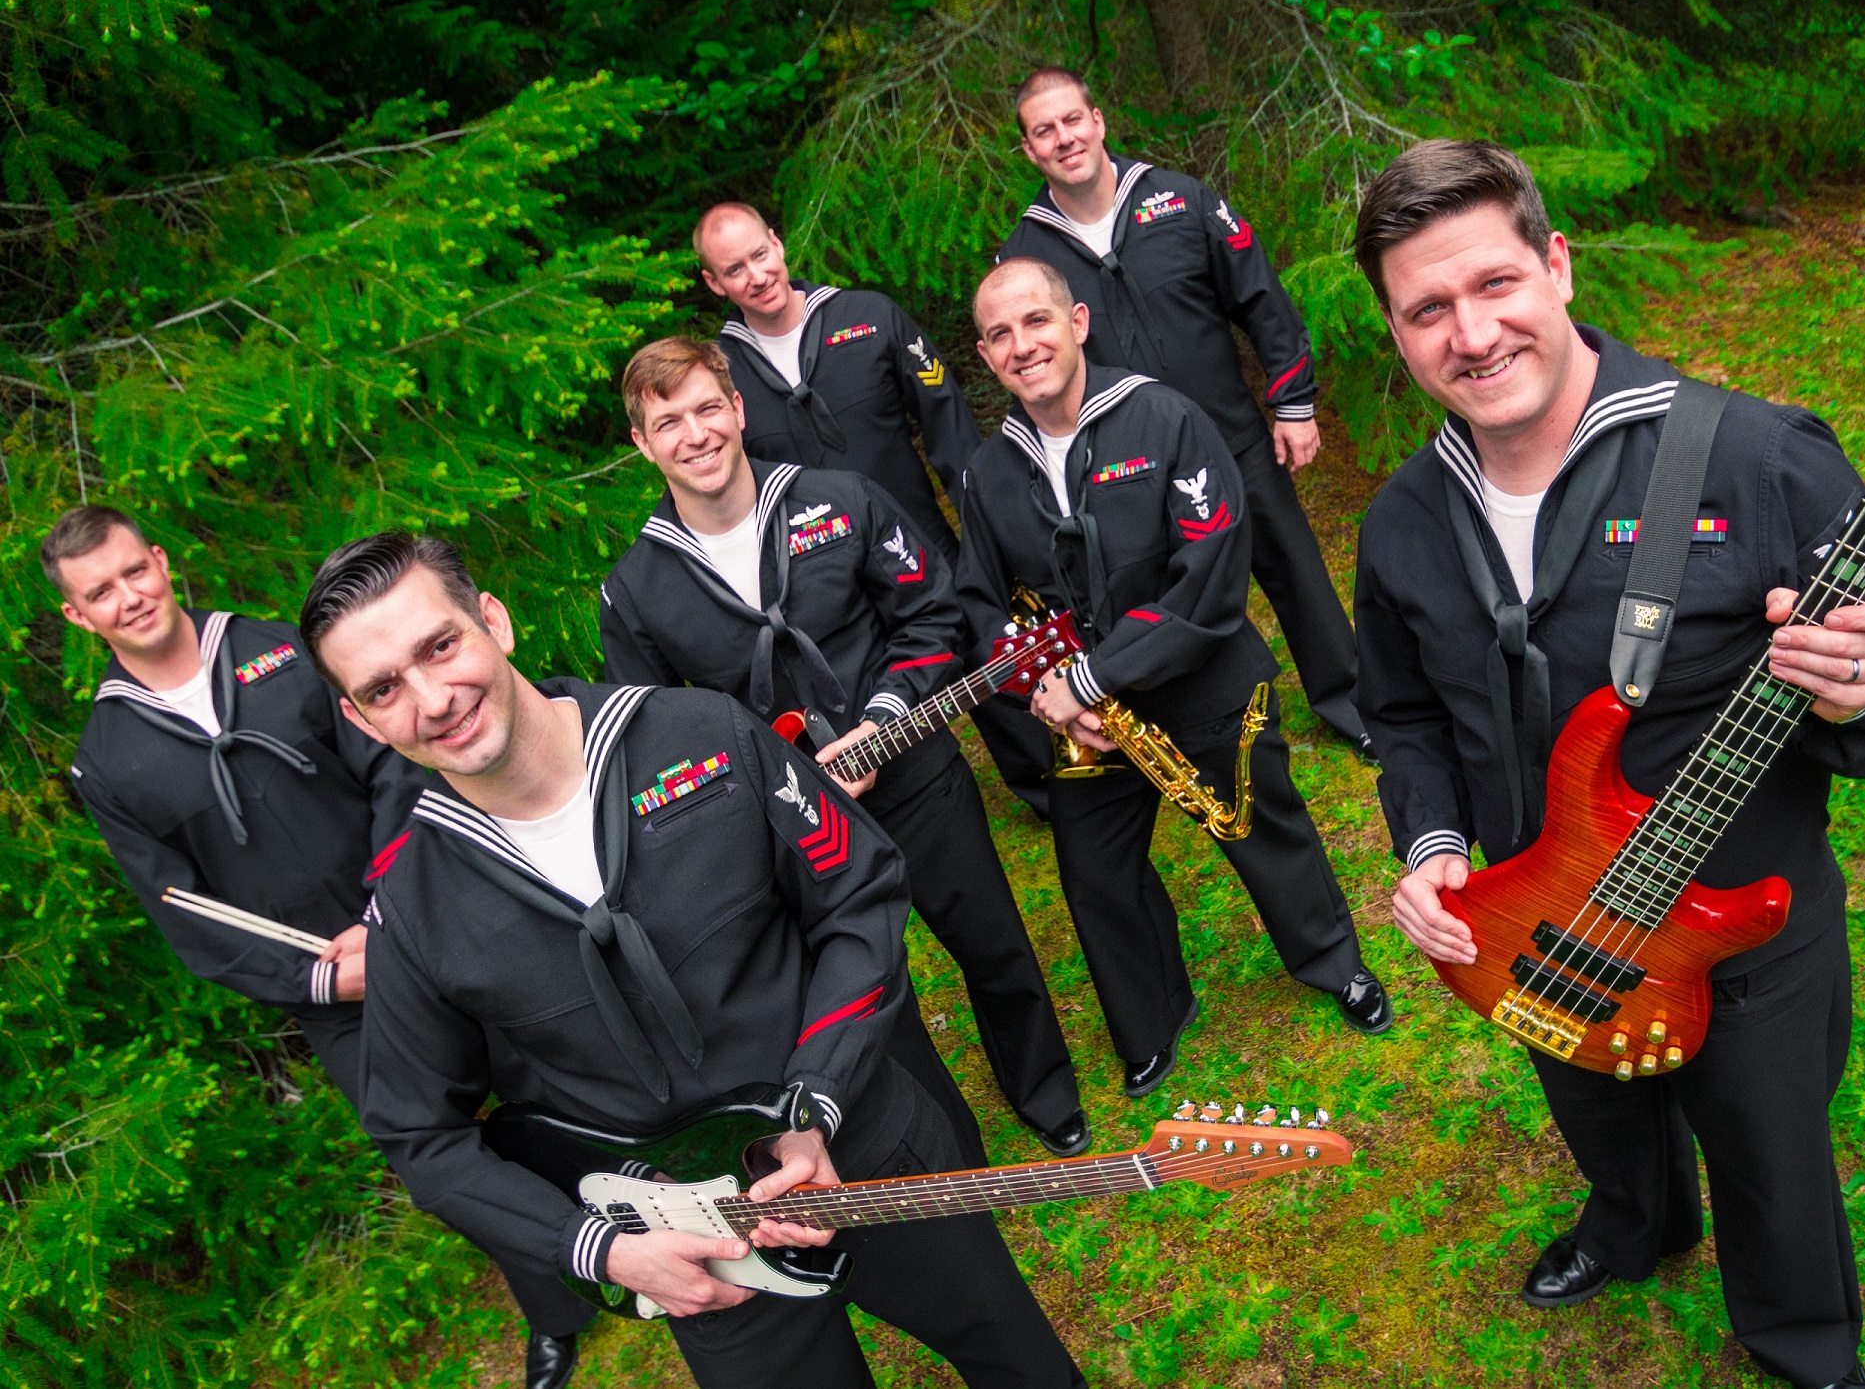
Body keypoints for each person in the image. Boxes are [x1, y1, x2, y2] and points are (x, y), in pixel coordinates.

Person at [1350, 140, 1865, 1389]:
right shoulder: (1403, 521)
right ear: (1397, 333)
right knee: (1596, 1109)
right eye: (1428, 310)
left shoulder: (1755, 458)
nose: (1470, 335)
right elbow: (1406, 715)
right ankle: (1636, 1225)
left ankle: (1801, 1345)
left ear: (1557, 265)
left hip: (1743, 940)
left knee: (1772, 1161)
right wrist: (1429, 850)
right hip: (1538, 923)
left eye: (1493, 285)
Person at [303, 531, 1086, 1389]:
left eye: (440, 645)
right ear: (359, 717)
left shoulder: (703, 735)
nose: (432, 697)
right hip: (690, 1252)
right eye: (383, 687)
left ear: (494, 619)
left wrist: (815, 1100)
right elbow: (424, 1136)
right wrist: (596, 1249)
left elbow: (856, 897)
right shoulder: (413, 911)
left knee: (1019, 1365)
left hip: (861, 1140)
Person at [46, 506, 596, 1389]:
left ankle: (641, 1215)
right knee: (444, 1156)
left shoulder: (279, 648)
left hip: (435, 919)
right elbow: (182, 910)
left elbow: (391, 768)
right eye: (99, 593)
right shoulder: (105, 760)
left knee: (557, 1082)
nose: (129, 598)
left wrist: (389, 915)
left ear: (161, 560)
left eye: (133, 572)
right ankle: (557, 1306)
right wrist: (318, 976)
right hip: (330, 992)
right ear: (78, 617)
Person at [597, 335, 1087, 1156]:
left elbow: (932, 615)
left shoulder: (841, 498)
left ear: (738, 410)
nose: (696, 434)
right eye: (668, 421)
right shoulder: (634, 591)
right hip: (794, 837)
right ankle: (940, 1145)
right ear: (643, 445)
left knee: (993, 944)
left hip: (914, 775)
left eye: (708, 408)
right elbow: (658, 746)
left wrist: (883, 717)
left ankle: (1044, 1090)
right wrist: (774, 791)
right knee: (862, 998)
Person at [953, 257, 1391, 1099]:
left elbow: (1210, 574)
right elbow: (978, 606)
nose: (1022, 344)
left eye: (1036, 321)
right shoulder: (987, 472)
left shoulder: (1163, 418)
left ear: (1076, 321)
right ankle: (1150, 1017)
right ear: (984, 352)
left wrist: (1092, 676)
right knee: (1093, 873)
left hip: (1199, 685)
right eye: (1000, 334)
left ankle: (1334, 963)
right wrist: (1045, 690)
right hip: (1083, 722)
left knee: (1264, 833)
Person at [996, 67, 1370, 757]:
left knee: (1295, 571)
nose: (1063, 138)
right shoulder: (1026, 254)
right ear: (1028, 151)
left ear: (1098, 121)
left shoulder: (1179, 200)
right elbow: (1034, 371)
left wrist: (1291, 401)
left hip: (1233, 438)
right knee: (1170, 600)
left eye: (1072, 120)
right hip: (1131, 469)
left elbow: (1259, 295)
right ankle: (1204, 727)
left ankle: (1351, 704)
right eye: (1043, 131)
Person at [695, 201, 1055, 817]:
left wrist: (989, 536)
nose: (755, 275)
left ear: (778, 245)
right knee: (879, 704)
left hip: (922, 546)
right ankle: (912, 809)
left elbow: (949, 428)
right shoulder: (720, 375)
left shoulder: (867, 316)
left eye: (760, 255)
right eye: (734, 270)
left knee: (987, 664)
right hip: (825, 584)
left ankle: (1049, 785)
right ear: (714, 283)